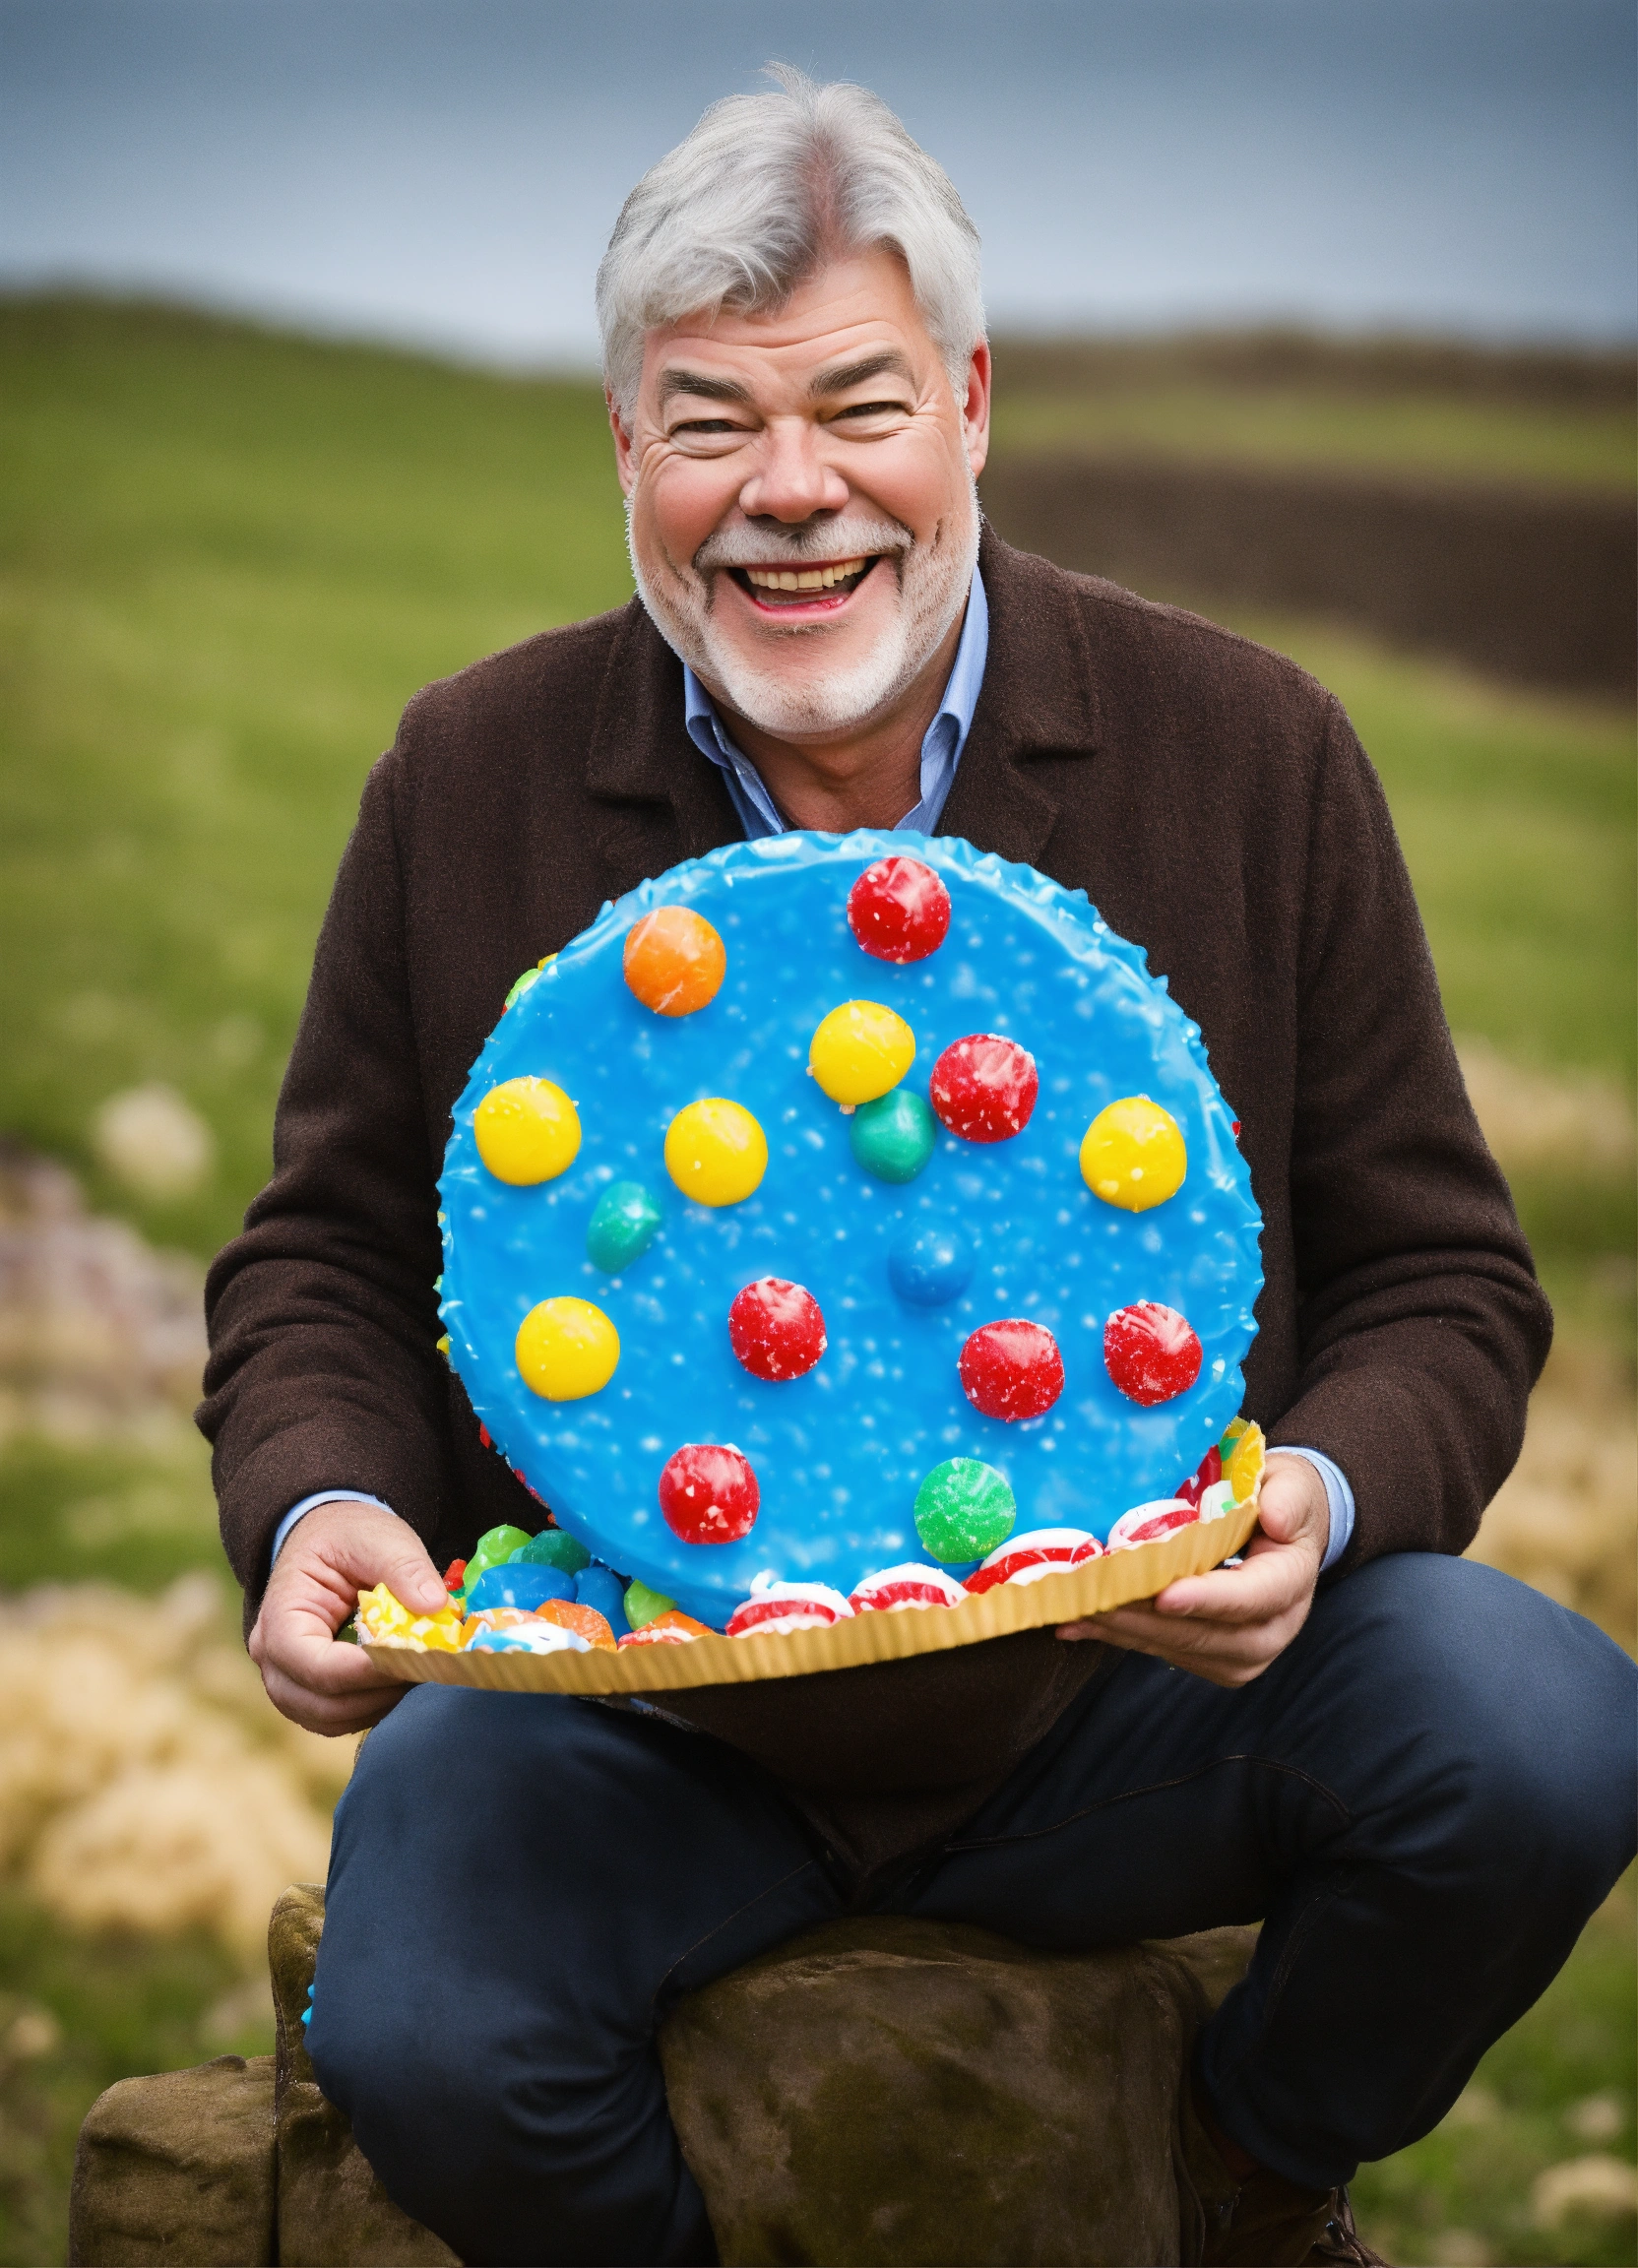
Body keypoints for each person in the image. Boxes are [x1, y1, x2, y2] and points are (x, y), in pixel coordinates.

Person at [200, 67, 1637, 2268]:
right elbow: (323, 1249)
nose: (789, 495)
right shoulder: (467, 770)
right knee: (423, 2047)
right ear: (622, 450)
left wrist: (1309, 1501)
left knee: (1535, 1739)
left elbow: (1443, 1282)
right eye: (707, 424)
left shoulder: (1246, 750)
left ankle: (1243, 2178)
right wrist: (325, 1500)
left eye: (858, 407)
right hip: (635, 1706)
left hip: (1122, 1705)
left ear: (969, 406)